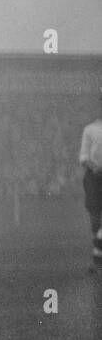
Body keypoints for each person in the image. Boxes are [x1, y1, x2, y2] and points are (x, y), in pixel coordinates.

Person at [78, 89, 102, 274]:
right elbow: (84, 157)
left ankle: (97, 257)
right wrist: (95, 168)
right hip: (94, 178)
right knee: (95, 219)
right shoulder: (90, 129)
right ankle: (97, 258)